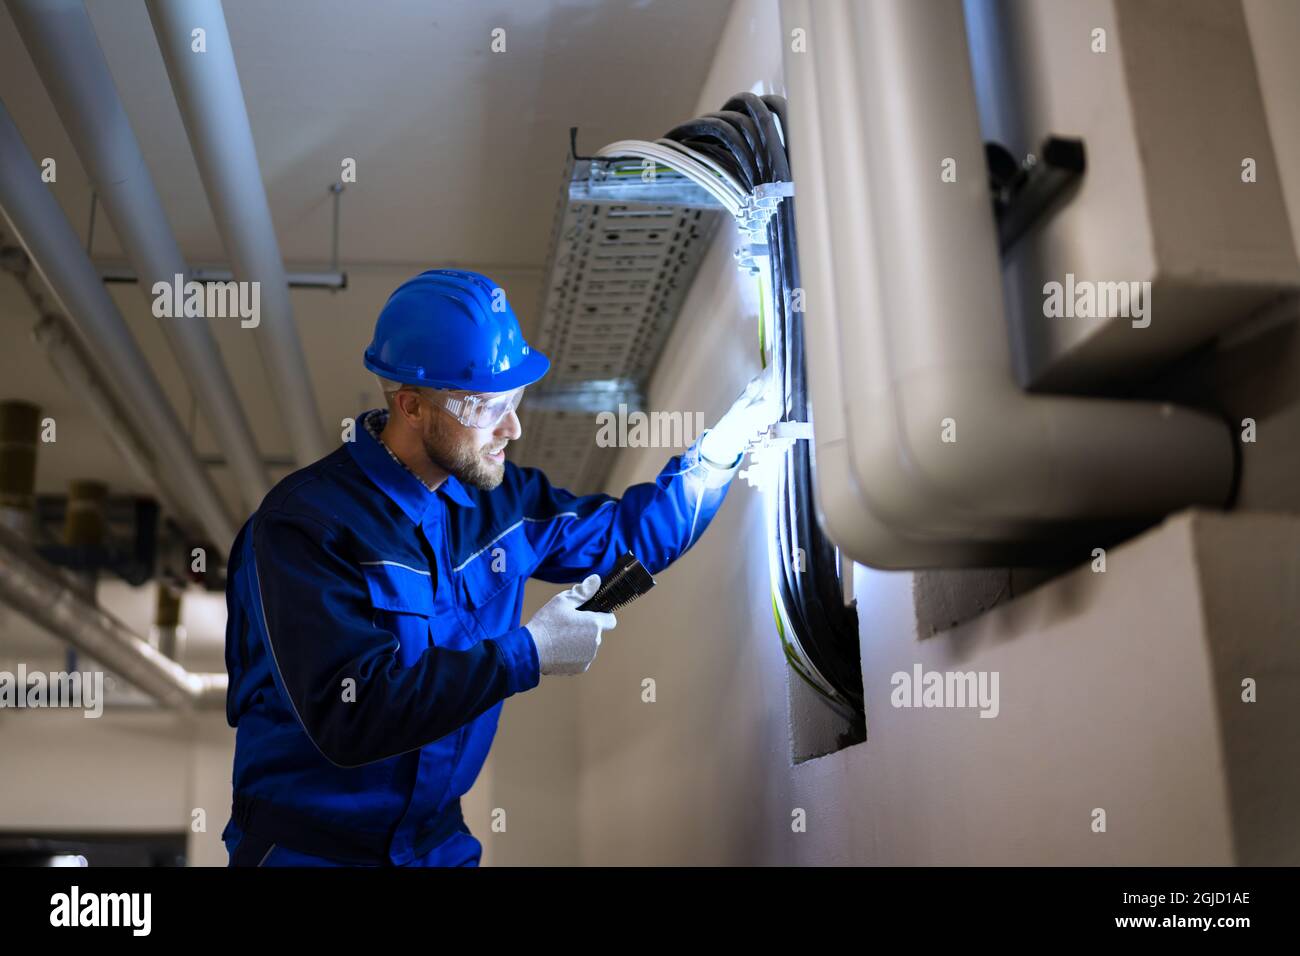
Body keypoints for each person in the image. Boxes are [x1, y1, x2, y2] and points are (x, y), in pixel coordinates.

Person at [220, 269, 778, 866]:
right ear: (411, 405)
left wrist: (722, 449)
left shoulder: (501, 501)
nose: (513, 427)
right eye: (490, 406)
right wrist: (528, 653)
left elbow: (629, 538)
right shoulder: (304, 526)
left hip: (436, 846)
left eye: (515, 401)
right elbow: (350, 715)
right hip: (308, 854)